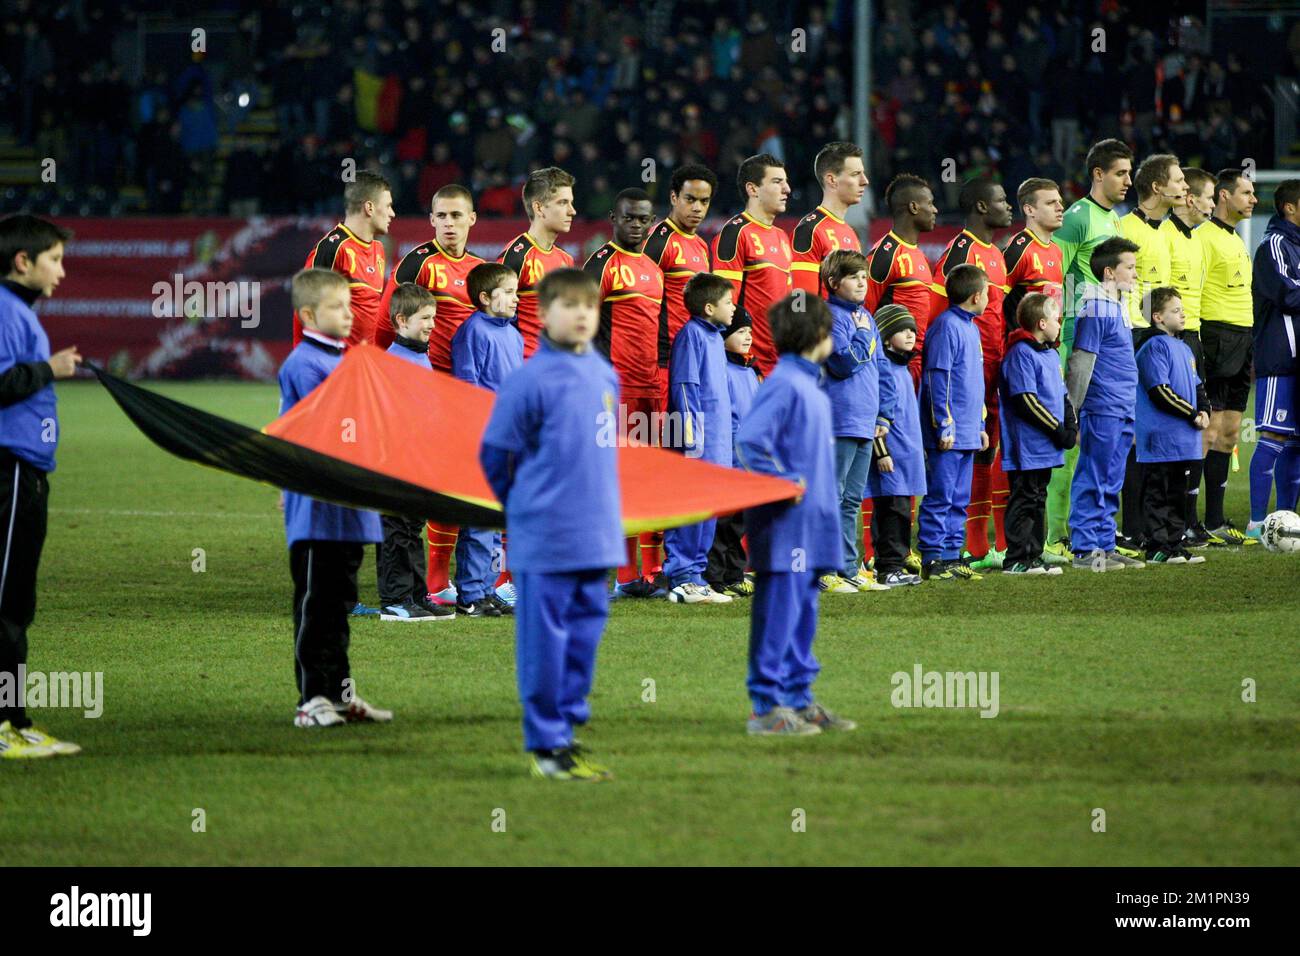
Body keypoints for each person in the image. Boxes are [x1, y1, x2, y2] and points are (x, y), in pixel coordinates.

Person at [479, 269, 623, 781]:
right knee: (545, 641)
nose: (582, 314)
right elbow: (496, 456)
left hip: (598, 534)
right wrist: (525, 508)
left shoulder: (606, 375)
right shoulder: (527, 380)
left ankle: (566, 726)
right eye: (568, 305)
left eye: (590, 305)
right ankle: (547, 742)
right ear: (541, 313)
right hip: (545, 537)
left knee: (584, 637)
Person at [735, 294, 854, 736]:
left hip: (811, 525)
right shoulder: (785, 381)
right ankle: (765, 707)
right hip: (786, 525)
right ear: (819, 335)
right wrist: (785, 482)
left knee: (803, 613)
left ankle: (798, 699)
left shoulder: (808, 382)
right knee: (779, 613)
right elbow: (749, 442)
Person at [280, 268, 392, 728]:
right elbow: (325, 432)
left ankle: (341, 696)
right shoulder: (304, 364)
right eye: (337, 308)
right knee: (315, 605)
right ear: (308, 314)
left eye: (350, 306)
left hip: (352, 508)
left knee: (340, 607)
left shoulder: (350, 360)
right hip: (318, 510)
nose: (349, 315)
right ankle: (312, 700)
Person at [380, 184, 488, 607]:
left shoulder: (482, 269)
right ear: (431, 221)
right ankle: (432, 583)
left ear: (472, 219)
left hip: (466, 394)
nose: (448, 224)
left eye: (456, 216)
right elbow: (385, 323)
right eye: (441, 216)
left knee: (462, 488)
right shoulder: (417, 262)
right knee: (420, 492)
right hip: (424, 392)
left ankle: (459, 583)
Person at [0, 213, 83, 759]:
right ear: (22, 261)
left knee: (16, 602)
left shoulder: (17, 310)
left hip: (26, 472)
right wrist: (49, 369)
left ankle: (15, 720)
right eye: (53, 259)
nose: (62, 271)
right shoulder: (5, 311)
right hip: (7, 471)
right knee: (5, 603)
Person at [1045, 139, 1133, 560]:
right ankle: (1057, 537)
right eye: (1121, 173)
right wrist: (1055, 338)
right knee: (1070, 439)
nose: (1128, 181)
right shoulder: (1077, 217)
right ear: (1098, 174)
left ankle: (1091, 536)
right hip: (1075, 340)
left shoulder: (1114, 220)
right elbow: (1054, 273)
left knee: (1099, 449)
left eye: (1130, 173)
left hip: (1103, 341)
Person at [584, 188, 668, 598]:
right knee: (616, 480)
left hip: (651, 385)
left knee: (649, 478)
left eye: (644, 219)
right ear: (613, 219)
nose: (638, 225)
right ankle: (623, 573)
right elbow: (586, 327)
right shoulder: (601, 265)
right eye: (630, 218)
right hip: (616, 390)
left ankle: (651, 572)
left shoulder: (654, 268)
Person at [928, 177, 1014, 572]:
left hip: (992, 365)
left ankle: (971, 542)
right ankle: (959, 545)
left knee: (985, 450)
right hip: (964, 369)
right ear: (981, 206)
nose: (1008, 205)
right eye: (1001, 199)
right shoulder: (960, 251)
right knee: (956, 460)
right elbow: (937, 312)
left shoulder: (995, 254)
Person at [1116, 154, 1186, 551]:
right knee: (1134, 433)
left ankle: (1157, 527)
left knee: (1155, 431)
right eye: (1177, 180)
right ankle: (1133, 527)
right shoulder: (1127, 228)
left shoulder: (1166, 231)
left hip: (1156, 335)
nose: (1183, 187)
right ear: (1158, 187)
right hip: (1133, 335)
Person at [1066, 237, 1145, 572]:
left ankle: (1104, 544)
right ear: (1110, 272)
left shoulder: (1116, 306)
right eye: (1130, 267)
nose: (1136, 274)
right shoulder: (1095, 307)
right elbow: (1082, 361)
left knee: (1111, 479)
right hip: (1102, 407)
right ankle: (1085, 549)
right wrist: (1073, 412)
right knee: (1094, 476)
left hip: (1122, 407)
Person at [378, 283, 454, 622]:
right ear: (400, 320)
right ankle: (395, 599)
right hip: (397, 466)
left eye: (434, 317)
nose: (432, 325)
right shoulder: (395, 362)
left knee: (411, 529)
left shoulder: (419, 357)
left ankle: (415, 594)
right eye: (425, 318)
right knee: (396, 530)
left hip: (419, 463)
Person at [451, 262, 524, 617]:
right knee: (479, 519)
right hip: (484, 441)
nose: (516, 298)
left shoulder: (514, 333)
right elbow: (467, 387)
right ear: (484, 298)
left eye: (516, 292)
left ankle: (487, 587)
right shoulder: (473, 331)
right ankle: (469, 593)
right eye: (508, 292)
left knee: (497, 520)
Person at [821, 249, 895, 593]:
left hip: (864, 419)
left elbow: (881, 368)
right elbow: (841, 364)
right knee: (831, 496)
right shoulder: (829, 316)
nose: (863, 283)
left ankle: (849, 568)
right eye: (854, 277)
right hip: (838, 419)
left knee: (852, 499)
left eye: (865, 277)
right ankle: (824, 570)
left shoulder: (866, 316)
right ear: (834, 283)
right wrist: (864, 334)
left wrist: (885, 412)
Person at [662, 272, 735, 604]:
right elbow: (684, 387)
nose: (733, 308)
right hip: (700, 443)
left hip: (718, 442)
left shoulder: (715, 338)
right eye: (728, 303)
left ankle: (697, 575)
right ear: (708, 307)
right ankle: (681, 577)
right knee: (692, 508)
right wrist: (691, 437)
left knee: (709, 510)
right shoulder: (691, 335)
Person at [1198, 168, 1259, 545]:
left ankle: (1216, 520)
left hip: (1242, 335)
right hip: (1217, 335)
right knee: (1209, 430)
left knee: (1231, 432)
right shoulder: (1204, 237)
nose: (1253, 199)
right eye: (1246, 192)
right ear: (1223, 196)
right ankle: (1191, 521)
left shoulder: (1234, 238)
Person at [917, 264, 990, 581]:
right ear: (976, 296)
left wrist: (981, 425)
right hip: (948, 434)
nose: (989, 298)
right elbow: (937, 379)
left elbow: (974, 383)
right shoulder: (947, 327)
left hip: (968, 430)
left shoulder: (971, 327)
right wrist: (943, 424)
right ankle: (932, 558)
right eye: (987, 292)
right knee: (940, 495)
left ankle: (951, 555)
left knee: (959, 498)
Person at [1161, 166, 1219, 545]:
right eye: (1208, 196)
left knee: (1199, 426)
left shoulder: (1197, 239)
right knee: (1172, 427)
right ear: (1189, 198)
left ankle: (1188, 519)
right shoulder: (1163, 234)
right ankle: (1163, 522)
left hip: (1194, 337)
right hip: (1169, 339)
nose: (1212, 204)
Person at [999, 293, 1075, 575]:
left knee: (1038, 497)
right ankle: (1017, 557)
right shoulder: (1021, 353)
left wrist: (1071, 426)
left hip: (1045, 445)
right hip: (1027, 444)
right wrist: (1057, 430)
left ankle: (1033, 553)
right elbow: (1026, 400)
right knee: (1024, 497)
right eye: (1057, 319)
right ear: (1042, 323)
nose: (1060, 323)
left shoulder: (1050, 354)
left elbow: (1062, 395)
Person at [1134, 287, 1210, 564]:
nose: (1183, 314)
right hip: (1160, 436)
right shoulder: (1153, 346)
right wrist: (1192, 414)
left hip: (1182, 439)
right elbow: (1160, 391)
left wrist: (1204, 410)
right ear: (1158, 317)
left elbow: (1197, 385)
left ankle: (1174, 543)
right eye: (1175, 311)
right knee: (1158, 491)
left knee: (1178, 491)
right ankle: (1157, 545)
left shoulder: (1184, 346)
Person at [1247, 179, 1300, 534]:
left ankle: (1286, 521)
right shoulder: (1275, 245)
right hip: (1281, 358)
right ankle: (1255, 522)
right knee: (1273, 438)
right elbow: (1286, 294)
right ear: (1290, 207)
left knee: (1295, 442)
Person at [711, 153, 794, 376]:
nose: (787, 189)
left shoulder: (782, 237)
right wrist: (741, 365)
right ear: (752, 189)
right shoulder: (735, 234)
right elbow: (724, 309)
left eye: (785, 182)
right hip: (750, 368)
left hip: (781, 366)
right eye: (777, 182)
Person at [293, 170, 394, 348]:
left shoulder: (378, 250)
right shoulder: (332, 248)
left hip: (365, 364)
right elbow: (303, 307)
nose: (392, 213)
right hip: (337, 365)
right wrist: (303, 361)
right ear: (369, 207)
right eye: (388, 206)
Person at [643, 164, 718, 404]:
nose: (697, 207)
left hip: (694, 360)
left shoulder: (701, 246)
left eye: (704, 201)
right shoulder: (657, 241)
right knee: (659, 438)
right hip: (662, 362)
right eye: (690, 199)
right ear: (674, 197)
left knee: (686, 438)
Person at [866, 304, 925, 587]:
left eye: (912, 329)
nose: (911, 334)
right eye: (903, 330)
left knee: (902, 511)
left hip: (906, 456)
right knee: (891, 511)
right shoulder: (883, 369)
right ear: (887, 338)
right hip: (891, 457)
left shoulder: (903, 368)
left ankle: (897, 563)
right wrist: (881, 451)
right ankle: (888, 566)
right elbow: (874, 414)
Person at [704, 313, 760, 597]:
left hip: (749, 455)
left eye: (749, 331)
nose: (748, 337)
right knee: (723, 520)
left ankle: (734, 573)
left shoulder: (750, 370)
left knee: (740, 520)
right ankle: (714, 576)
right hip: (730, 454)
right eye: (740, 332)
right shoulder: (722, 370)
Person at [499, 167, 577, 358]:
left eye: (571, 203)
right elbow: (496, 320)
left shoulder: (566, 259)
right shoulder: (516, 255)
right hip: (527, 368)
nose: (572, 211)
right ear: (539, 208)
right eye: (563, 203)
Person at [789, 142, 867, 296]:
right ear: (832, 180)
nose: (865, 180)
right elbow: (801, 302)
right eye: (855, 174)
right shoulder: (809, 230)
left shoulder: (850, 232)